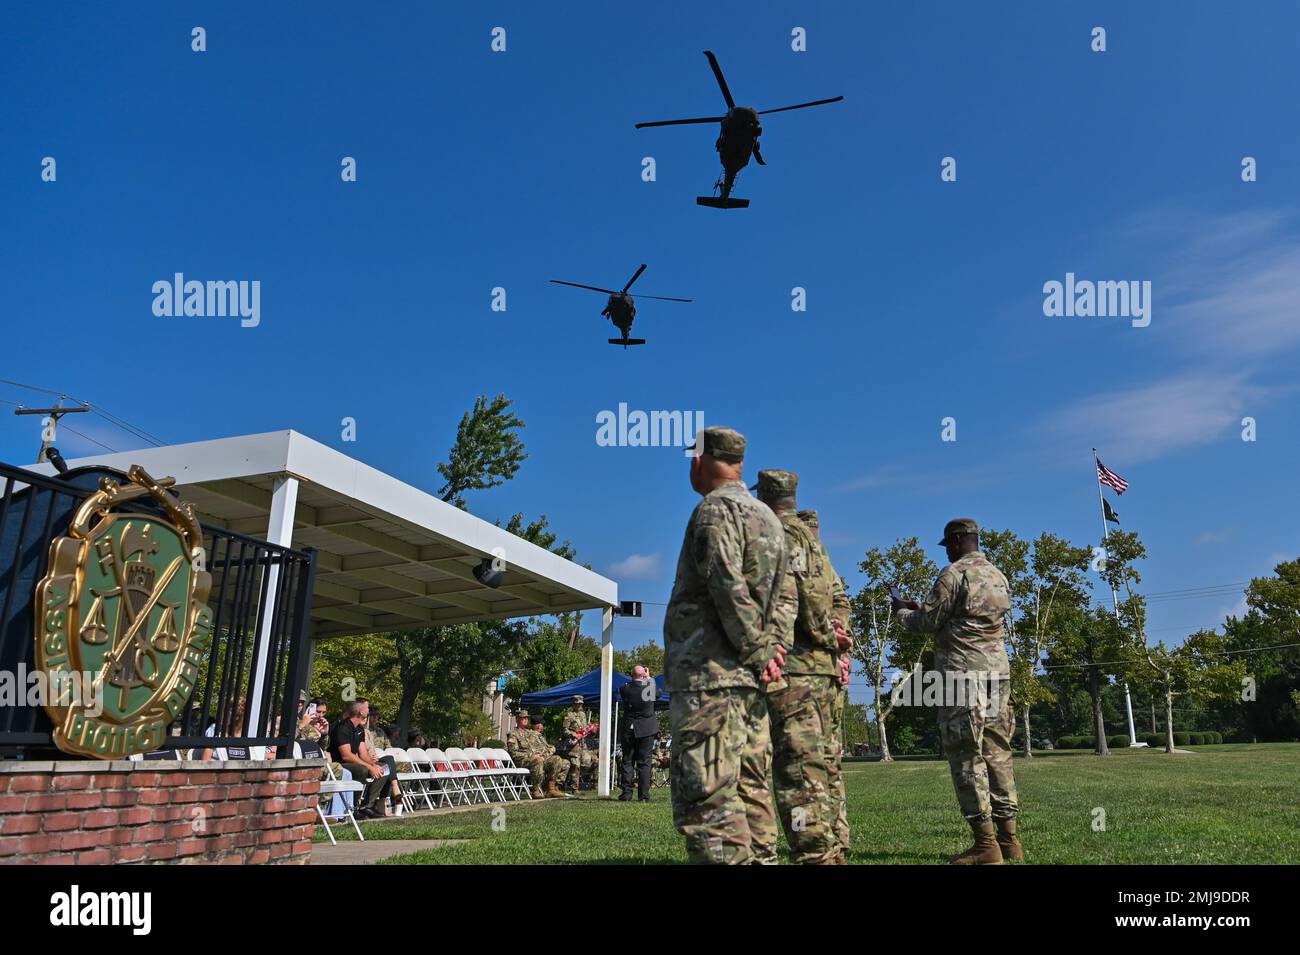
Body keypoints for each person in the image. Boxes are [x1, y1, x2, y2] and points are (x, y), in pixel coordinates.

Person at [663, 426, 787, 865]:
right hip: (748, 682)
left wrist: (757, 649)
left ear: (700, 461)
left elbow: (726, 584)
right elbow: (782, 596)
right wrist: (771, 651)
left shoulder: (714, 511)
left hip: (710, 678)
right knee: (751, 792)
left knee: (709, 802)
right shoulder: (768, 518)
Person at [893, 518, 1020, 864]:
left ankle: (985, 845)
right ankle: (1009, 840)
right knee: (998, 753)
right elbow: (966, 617)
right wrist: (927, 609)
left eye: (949, 543)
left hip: (963, 679)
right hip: (997, 677)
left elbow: (927, 622)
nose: (947, 551)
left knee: (965, 755)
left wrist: (902, 612)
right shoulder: (997, 575)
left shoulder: (953, 574)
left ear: (959, 540)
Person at [754, 471, 852, 865]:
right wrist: (840, 635)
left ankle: (815, 855)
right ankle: (834, 847)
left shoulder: (781, 536)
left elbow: (806, 597)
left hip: (795, 671)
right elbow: (840, 599)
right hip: (822, 672)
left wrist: (827, 635)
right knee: (824, 765)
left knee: (798, 772)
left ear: (764, 497)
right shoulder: (815, 542)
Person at [798, 507, 854, 861]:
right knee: (829, 759)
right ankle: (837, 838)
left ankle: (820, 843)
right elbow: (842, 609)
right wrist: (842, 652)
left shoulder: (803, 564)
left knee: (808, 762)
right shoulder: (828, 567)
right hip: (830, 672)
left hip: (807, 675)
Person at [329, 700, 390, 819]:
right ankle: (353, 806)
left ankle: (366, 806)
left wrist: (374, 765)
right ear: (361, 712)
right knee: (362, 770)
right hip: (340, 764)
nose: (369, 710)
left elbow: (363, 754)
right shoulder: (343, 728)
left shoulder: (359, 729)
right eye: (367, 708)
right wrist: (370, 767)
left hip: (353, 761)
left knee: (384, 768)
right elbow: (346, 755)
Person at [618, 666, 659, 801]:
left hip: (629, 729)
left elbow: (626, 688)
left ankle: (626, 793)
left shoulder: (625, 689)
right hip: (646, 729)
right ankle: (643, 795)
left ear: (631, 675)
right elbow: (657, 694)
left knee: (627, 761)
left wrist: (643, 678)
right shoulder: (649, 689)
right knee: (644, 763)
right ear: (643, 675)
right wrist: (649, 678)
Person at [360, 700, 404, 816]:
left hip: (378, 758)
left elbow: (388, 747)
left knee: (388, 762)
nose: (375, 719)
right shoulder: (361, 732)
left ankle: (384, 800)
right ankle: (392, 793)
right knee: (387, 765)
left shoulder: (380, 732)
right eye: (372, 716)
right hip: (367, 760)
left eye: (376, 716)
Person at [559, 696, 591, 794]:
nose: (579, 705)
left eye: (580, 703)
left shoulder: (583, 714)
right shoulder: (569, 715)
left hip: (582, 743)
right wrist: (573, 734)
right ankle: (574, 788)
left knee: (586, 762)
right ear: (573, 704)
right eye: (577, 704)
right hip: (573, 744)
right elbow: (564, 729)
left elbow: (584, 727)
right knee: (575, 764)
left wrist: (589, 729)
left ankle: (571, 781)